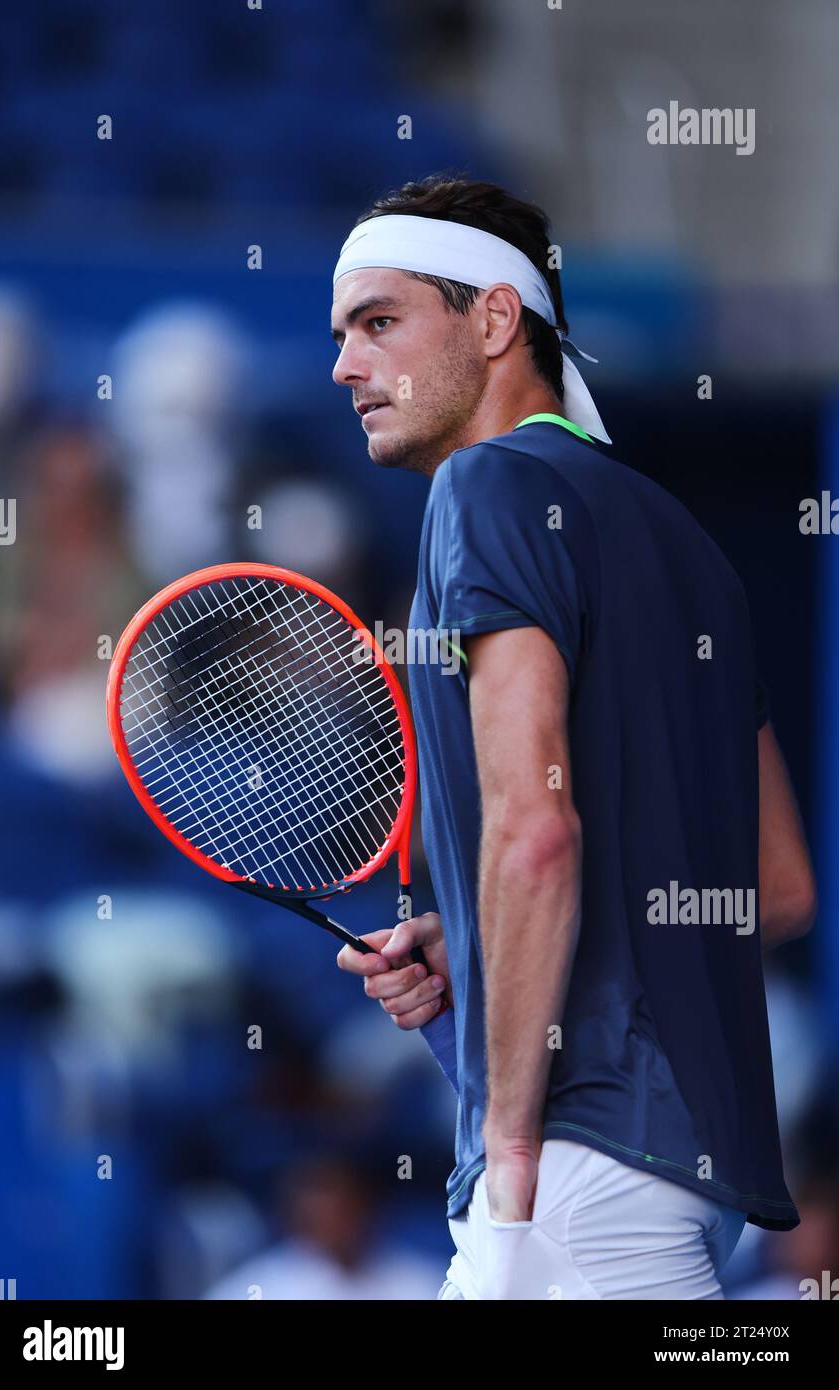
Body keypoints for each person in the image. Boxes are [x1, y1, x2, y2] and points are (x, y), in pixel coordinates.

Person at [329, 174, 817, 1300]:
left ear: (495, 320)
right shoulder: (684, 539)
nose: (347, 365)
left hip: (565, 1173)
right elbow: (776, 888)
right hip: (686, 1184)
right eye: (343, 334)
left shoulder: (483, 491)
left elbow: (533, 832)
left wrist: (506, 1142)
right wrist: (483, 938)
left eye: (379, 322)